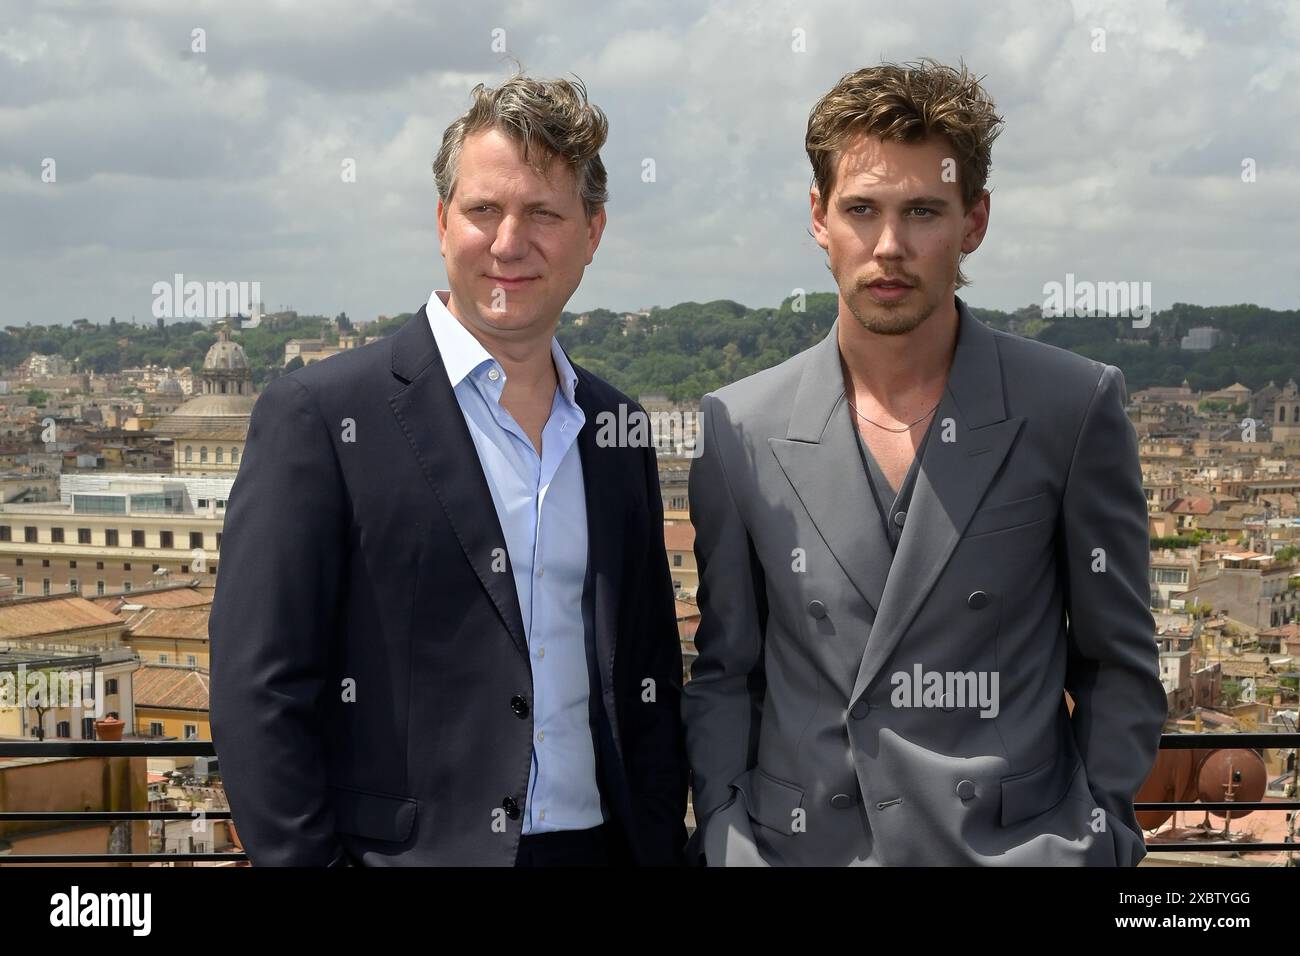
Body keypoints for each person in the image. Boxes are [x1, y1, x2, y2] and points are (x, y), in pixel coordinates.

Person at [682, 58, 1167, 865]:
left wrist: (1099, 835)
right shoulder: (738, 426)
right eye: (862, 210)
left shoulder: (1071, 407)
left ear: (974, 221)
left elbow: (1120, 660)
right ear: (818, 217)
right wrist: (729, 837)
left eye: (923, 212)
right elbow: (727, 673)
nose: (889, 247)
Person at [210, 73, 687, 866]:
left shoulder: (618, 427)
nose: (509, 243)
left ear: (593, 231)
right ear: (441, 223)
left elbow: (651, 682)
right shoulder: (321, 417)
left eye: (543, 213)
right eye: (484, 211)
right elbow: (258, 693)